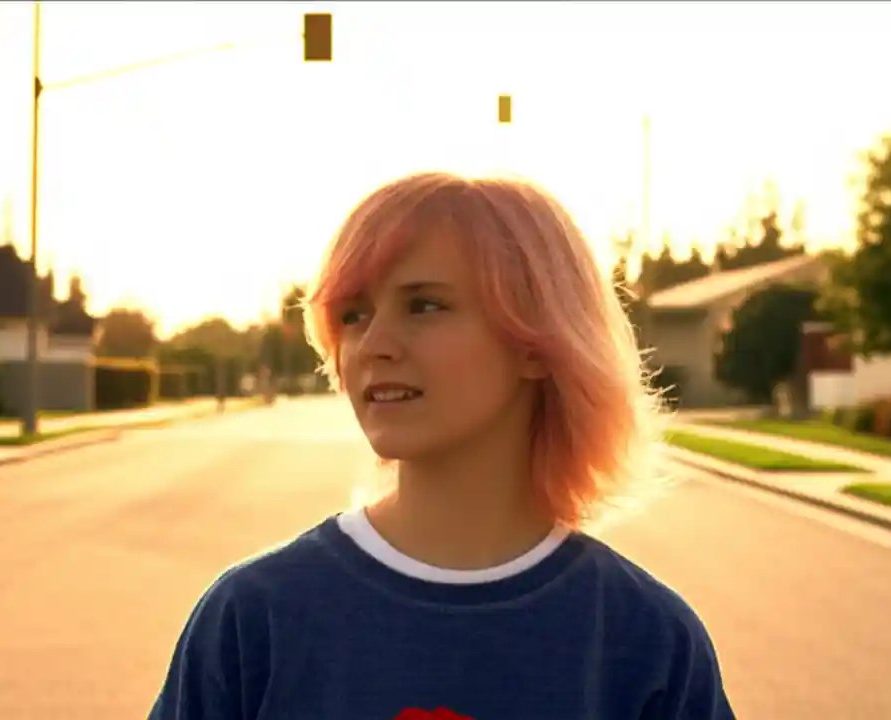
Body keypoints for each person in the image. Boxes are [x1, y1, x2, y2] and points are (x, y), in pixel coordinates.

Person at [148, 171, 735, 719]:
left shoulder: (648, 643)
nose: (373, 344)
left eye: (424, 305)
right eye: (353, 315)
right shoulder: (253, 620)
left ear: (537, 344)